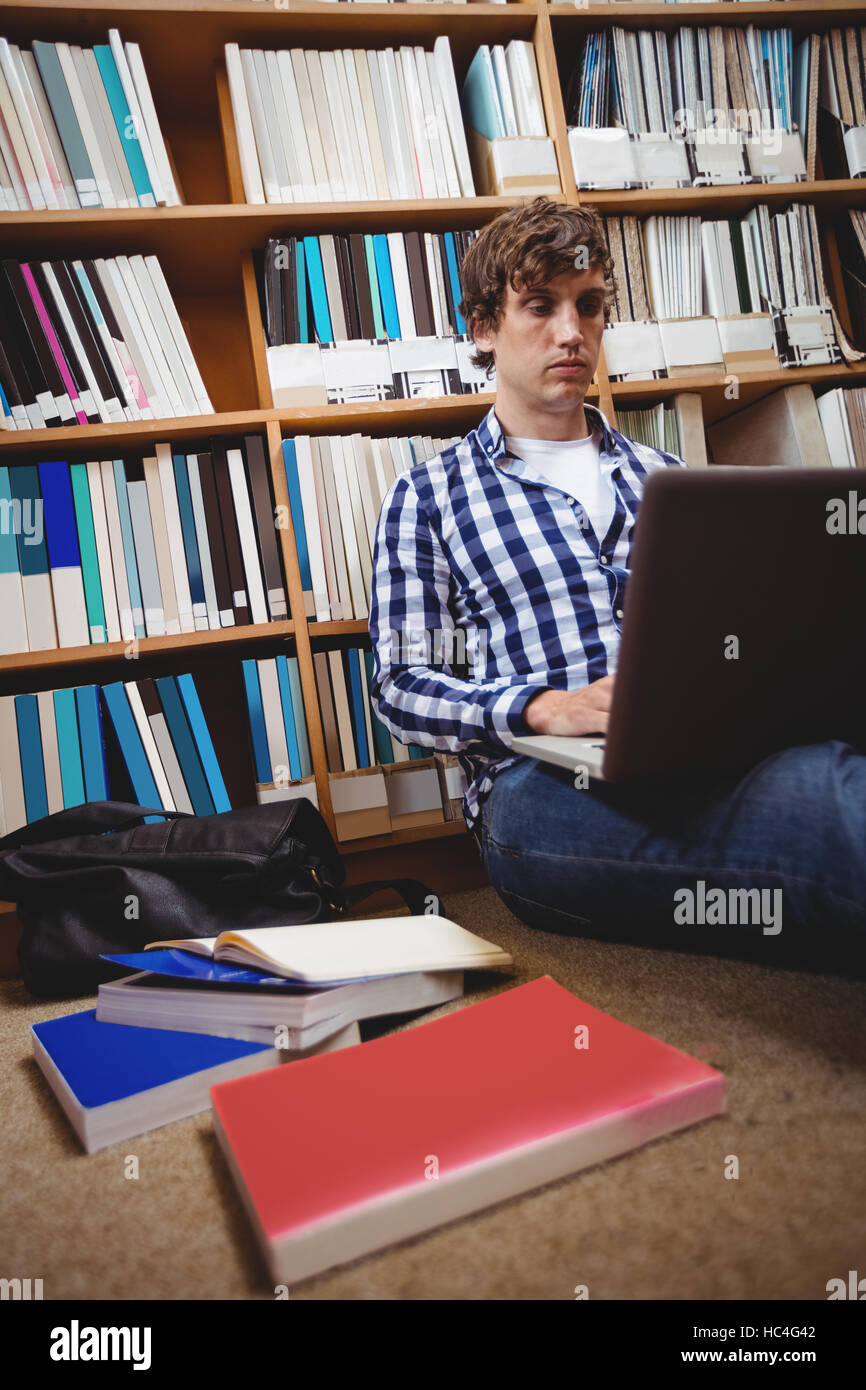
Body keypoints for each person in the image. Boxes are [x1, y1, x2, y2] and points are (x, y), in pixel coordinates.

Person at [368, 196, 866, 961]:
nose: (572, 332)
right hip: (538, 793)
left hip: (699, 757)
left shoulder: (668, 480)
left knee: (824, 774)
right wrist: (547, 709)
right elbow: (403, 686)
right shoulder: (428, 498)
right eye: (540, 306)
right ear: (482, 329)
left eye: (589, 305)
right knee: (818, 805)